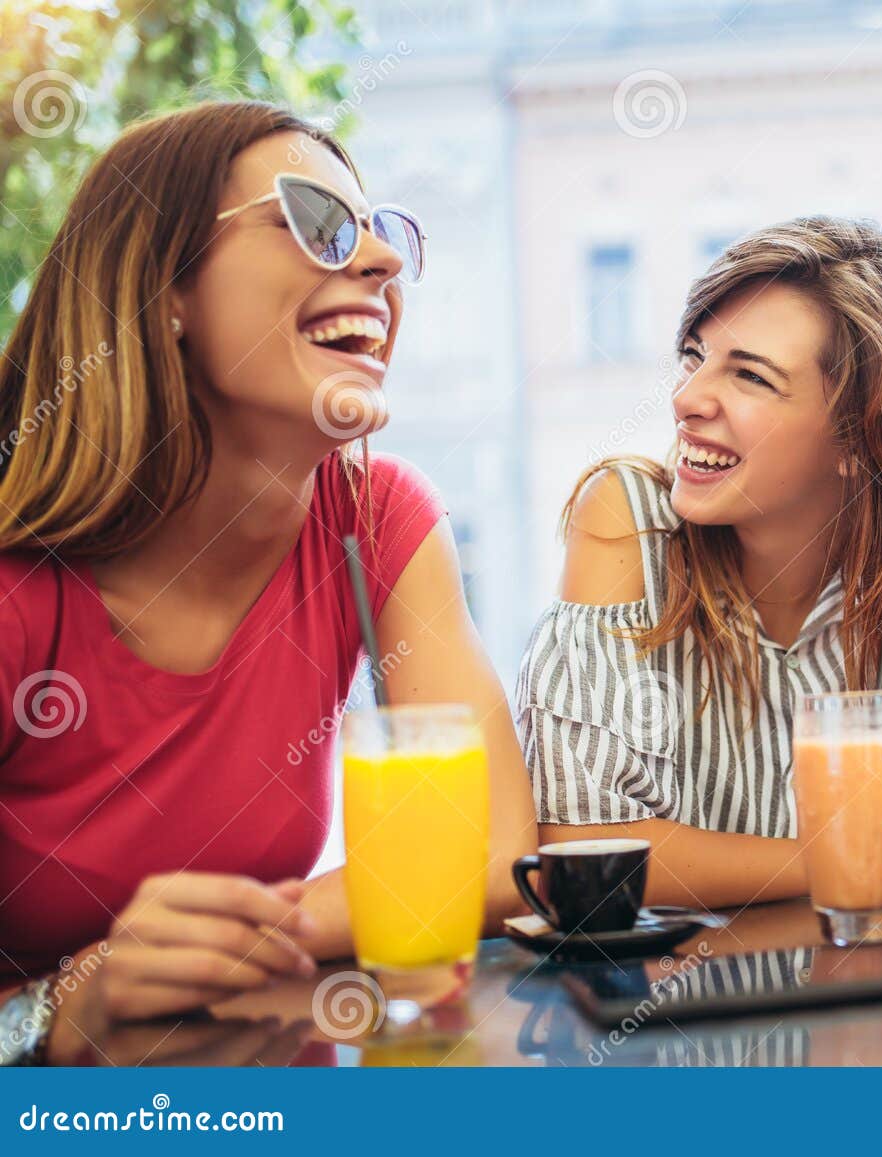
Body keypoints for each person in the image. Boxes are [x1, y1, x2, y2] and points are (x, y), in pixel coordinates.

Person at [0, 102, 537, 1064]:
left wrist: (218, 947)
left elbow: (495, 851)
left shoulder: (373, 521)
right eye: (316, 219)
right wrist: (60, 1006)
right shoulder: (15, 592)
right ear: (164, 287)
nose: (378, 262)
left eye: (383, 234)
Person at [517, 217, 882, 933]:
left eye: (749, 376)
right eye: (694, 357)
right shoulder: (629, 524)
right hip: (678, 1020)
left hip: (874, 1013)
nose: (687, 398)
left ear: (862, 438)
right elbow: (582, 844)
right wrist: (852, 858)